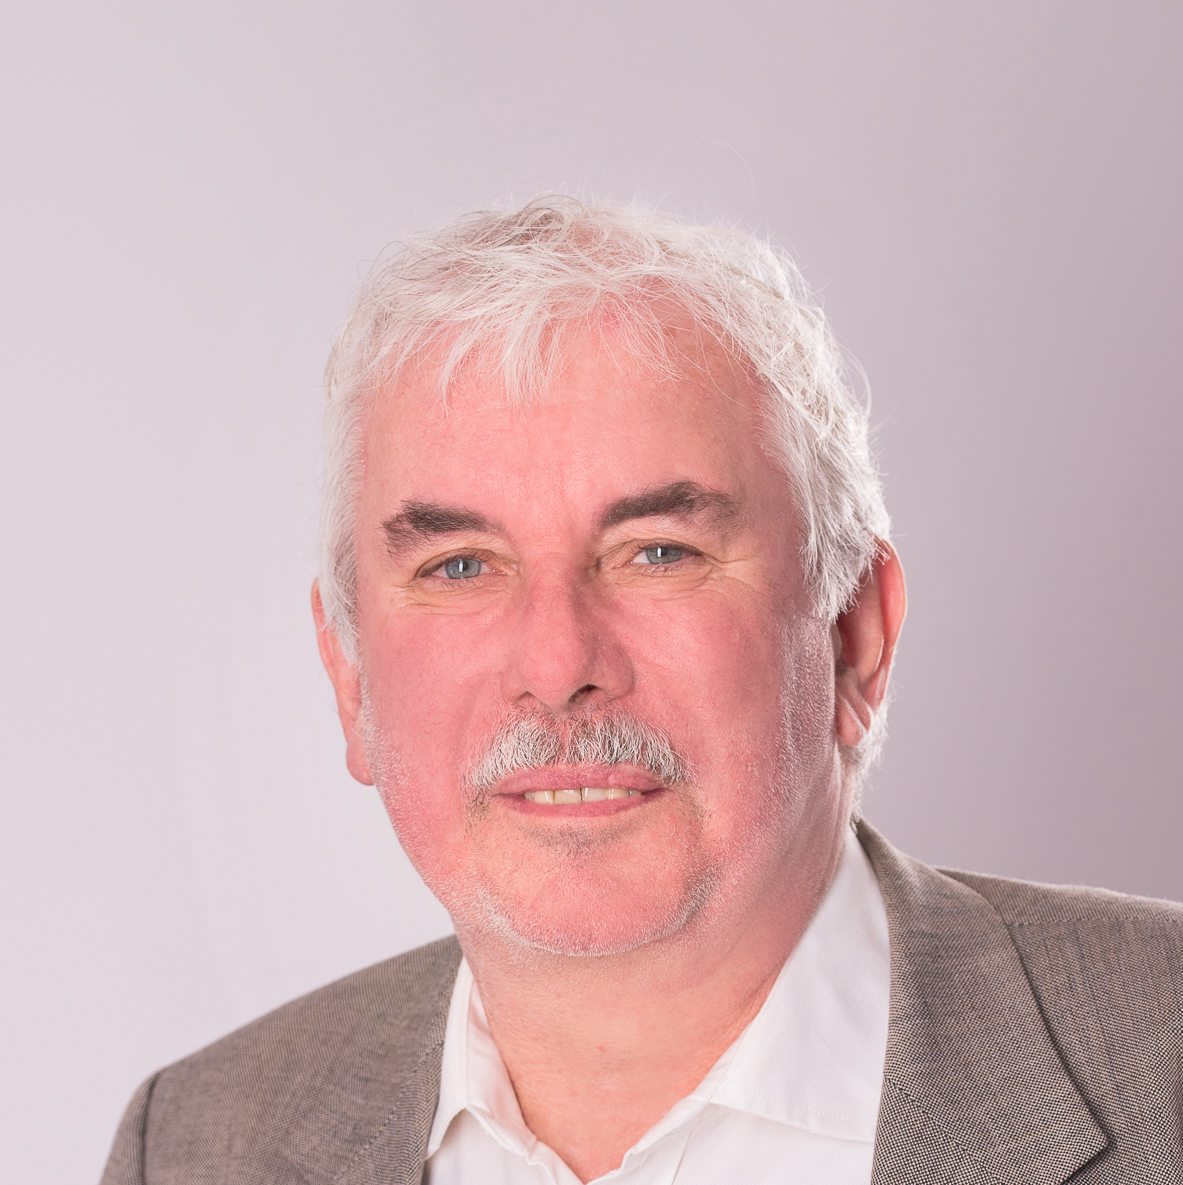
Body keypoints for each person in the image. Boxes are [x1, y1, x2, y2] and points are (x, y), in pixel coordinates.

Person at [101, 197, 1182, 1185]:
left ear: (856, 635)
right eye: (459, 566)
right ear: (350, 680)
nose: (557, 664)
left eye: (658, 552)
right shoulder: (197, 1144)